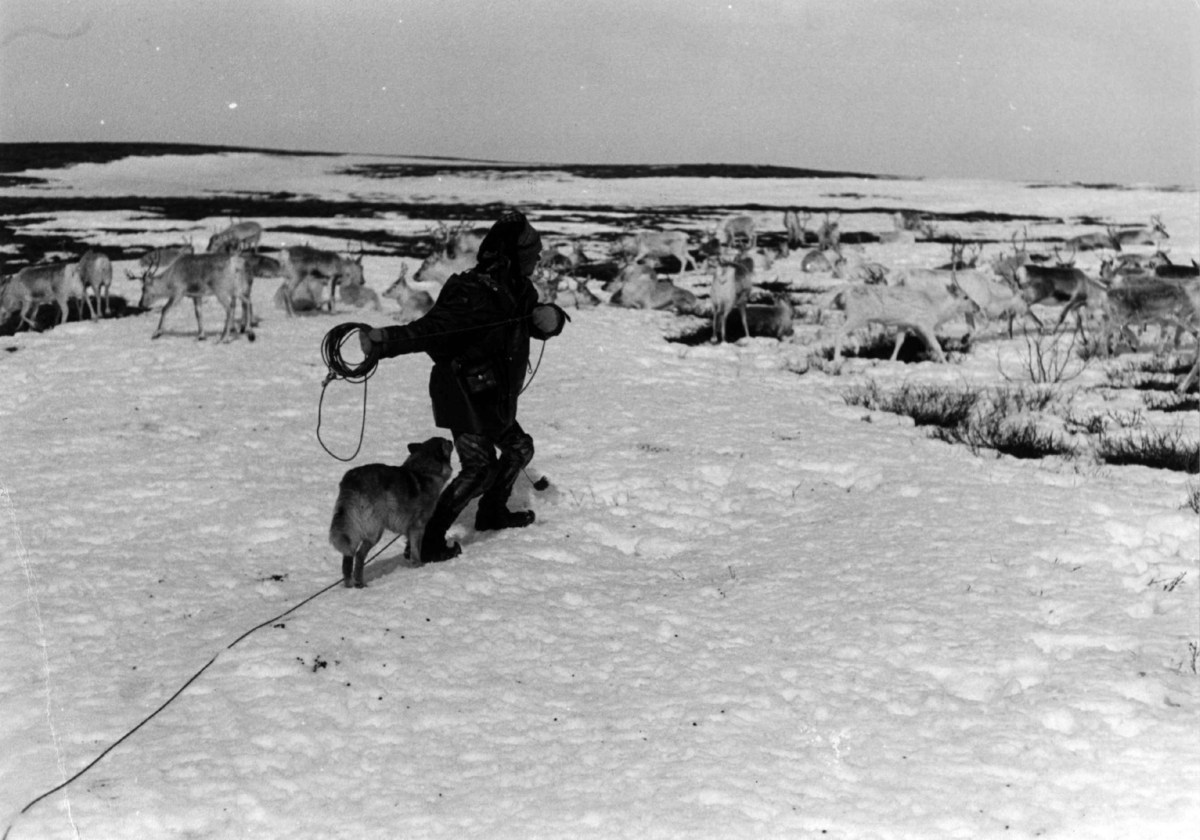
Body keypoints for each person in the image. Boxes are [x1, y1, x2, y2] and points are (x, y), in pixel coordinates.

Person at [358, 210, 568, 562]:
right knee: (480, 468)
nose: (537, 258)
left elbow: (531, 322)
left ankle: (492, 512)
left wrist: (552, 319)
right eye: (533, 252)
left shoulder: (520, 288)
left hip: (495, 392)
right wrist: (383, 341)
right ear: (514, 253)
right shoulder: (472, 290)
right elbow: (431, 329)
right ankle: (428, 537)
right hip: (463, 391)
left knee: (519, 449)